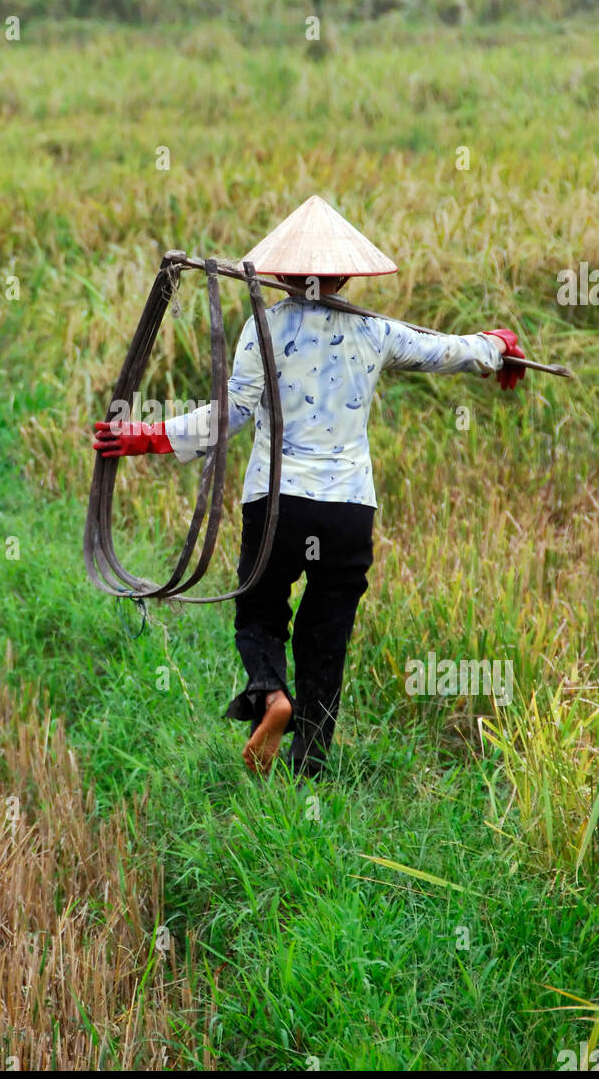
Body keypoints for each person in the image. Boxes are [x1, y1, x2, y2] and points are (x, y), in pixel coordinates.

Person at [92, 196, 526, 779]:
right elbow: (447, 350)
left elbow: (229, 417)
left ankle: (272, 695)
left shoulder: (263, 327)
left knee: (259, 612)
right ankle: (311, 767)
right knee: (327, 636)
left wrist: (144, 437)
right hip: (348, 512)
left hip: (278, 508)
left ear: (285, 274)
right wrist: (498, 345)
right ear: (347, 273)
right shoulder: (376, 333)